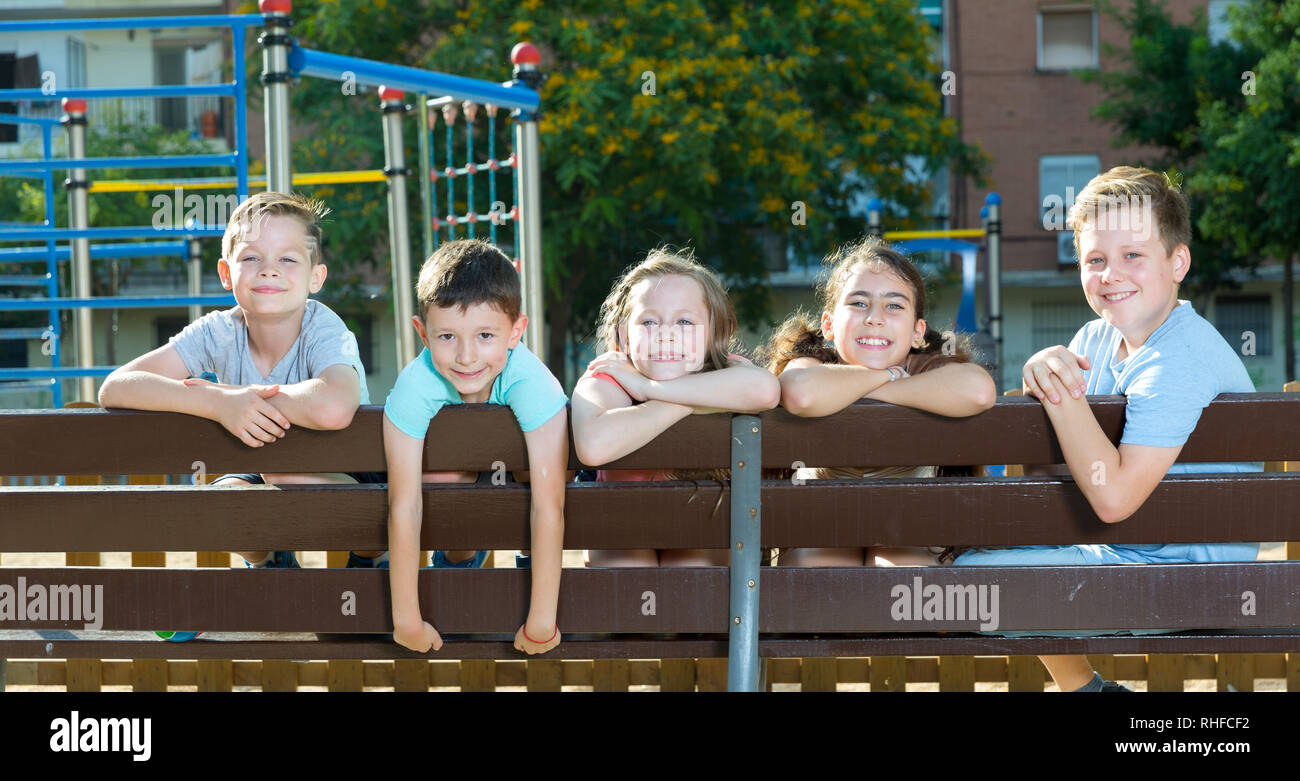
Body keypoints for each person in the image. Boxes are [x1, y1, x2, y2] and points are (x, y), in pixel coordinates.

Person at [955, 166, 1260, 692]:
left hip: (1191, 578)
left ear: (1177, 261)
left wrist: (1059, 389)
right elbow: (1052, 476)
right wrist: (1048, 380)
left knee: (964, 585)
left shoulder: (1179, 356)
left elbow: (1113, 498)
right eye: (1095, 260)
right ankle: (1089, 691)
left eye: (1132, 256)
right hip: (1127, 550)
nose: (1111, 274)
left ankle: (1090, 692)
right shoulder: (1094, 340)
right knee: (962, 566)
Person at [99, 192, 379, 642]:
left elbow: (333, 405)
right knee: (226, 496)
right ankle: (273, 566)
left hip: (351, 473)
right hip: (268, 464)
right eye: (252, 257)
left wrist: (235, 394)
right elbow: (116, 386)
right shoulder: (219, 331)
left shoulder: (322, 327)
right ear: (227, 274)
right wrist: (214, 404)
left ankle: (370, 560)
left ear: (315, 278)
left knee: (286, 475)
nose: (269, 269)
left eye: (288, 259)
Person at [762, 236, 996, 566]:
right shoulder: (814, 359)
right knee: (820, 566)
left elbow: (978, 390)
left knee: (900, 565)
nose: (875, 317)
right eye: (859, 303)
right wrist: (885, 377)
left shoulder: (925, 364)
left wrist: (867, 389)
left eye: (894, 305)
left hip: (906, 524)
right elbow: (800, 393)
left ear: (918, 332)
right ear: (828, 325)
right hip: (823, 524)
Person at [383, 239, 567, 655]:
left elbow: (548, 502)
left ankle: (521, 566)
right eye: (447, 335)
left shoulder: (533, 384)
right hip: (459, 494)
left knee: (553, 470)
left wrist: (541, 620)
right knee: (443, 473)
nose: (467, 356)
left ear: (516, 332)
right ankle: (457, 563)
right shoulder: (415, 386)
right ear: (423, 334)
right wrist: (407, 621)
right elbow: (404, 504)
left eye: (486, 335)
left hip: (511, 490)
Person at [571, 247, 780, 567]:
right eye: (649, 322)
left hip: (702, 529)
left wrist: (650, 390)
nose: (667, 334)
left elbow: (766, 390)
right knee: (626, 564)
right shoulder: (609, 377)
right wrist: (687, 400)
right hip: (624, 531)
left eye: (684, 321)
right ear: (623, 338)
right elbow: (594, 445)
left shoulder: (729, 370)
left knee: (691, 562)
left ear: (714, 335)